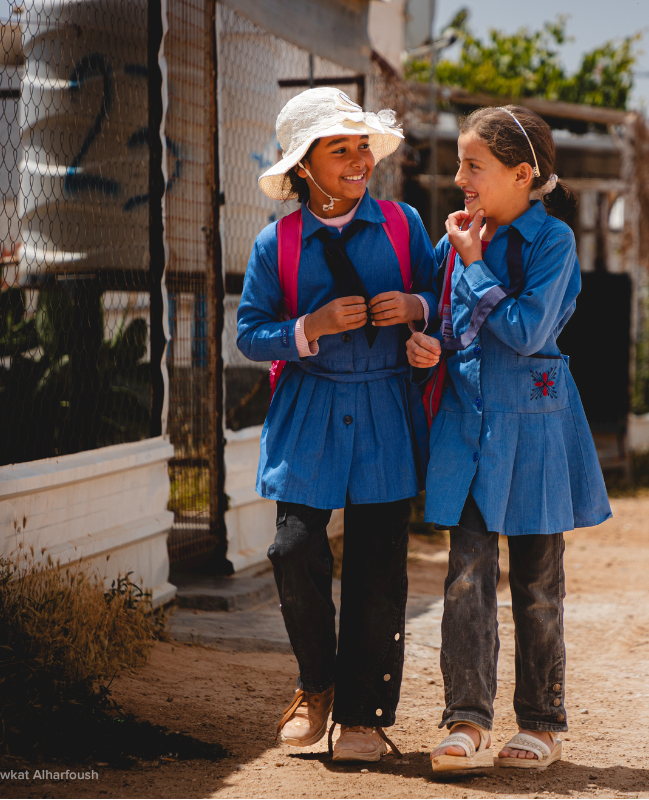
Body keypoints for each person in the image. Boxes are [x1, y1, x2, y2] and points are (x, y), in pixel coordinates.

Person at [406, 105, 612, 772]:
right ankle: (465, 720)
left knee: (537, 584)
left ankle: (542, 724)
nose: (460, 178)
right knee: (465, 578)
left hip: (535, 436)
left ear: (522, 175)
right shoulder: (457, 241)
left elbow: (526, 332)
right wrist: (430, 345)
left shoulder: (550, 245)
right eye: (462, 164)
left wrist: (473, 264)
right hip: (468, 432)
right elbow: (451, 322)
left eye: (475, 167)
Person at [237, 87, 438, 762]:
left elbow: (443, 300)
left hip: (385, 408)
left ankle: (362, 719)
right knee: (294, 550)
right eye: (339, 149)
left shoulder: (406, 226)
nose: (358, 161)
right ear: (304, 166)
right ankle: (315, 686)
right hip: (309, 410)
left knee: (379, 566)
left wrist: (415, 306)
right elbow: (250, 334)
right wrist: (307, 327)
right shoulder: (277, 243)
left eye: (362, 147)